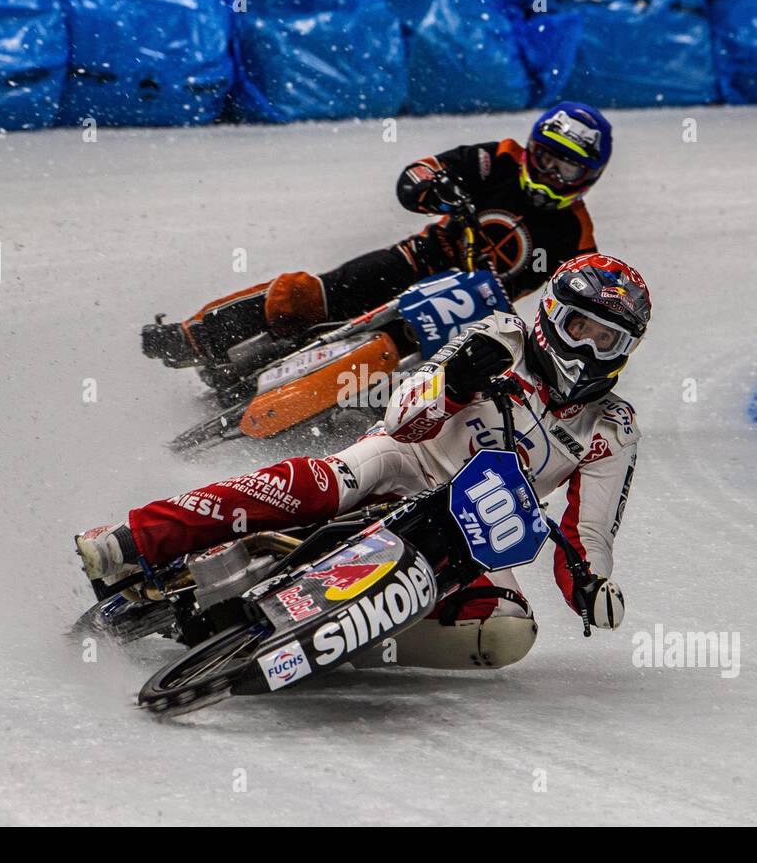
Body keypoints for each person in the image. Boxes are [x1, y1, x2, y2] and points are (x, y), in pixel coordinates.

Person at [83, 253, 650, 669]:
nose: (589, 349)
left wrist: (590, 584)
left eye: (609, 340)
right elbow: (405, 416)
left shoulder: (612, 427)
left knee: (506, 633)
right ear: (553, 313)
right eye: (582, 327)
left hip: (471, 531)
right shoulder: (501, 338)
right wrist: (456, 379)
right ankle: (134, 538)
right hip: (404, 461)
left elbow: (590, 531)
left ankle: (343, 646)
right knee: (331, 482)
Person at [141, 102, 612, 371]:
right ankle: (194, 336)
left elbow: (585, 295)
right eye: (545, 157)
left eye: (564, 166)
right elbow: (422, 171)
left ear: (586, 176)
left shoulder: (577, 232)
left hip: (475, 313)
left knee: (439, 382)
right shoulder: (498, 159)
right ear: (531, 148)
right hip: (416, 262)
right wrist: (433, 186)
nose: (549, 172)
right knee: (304, 295)